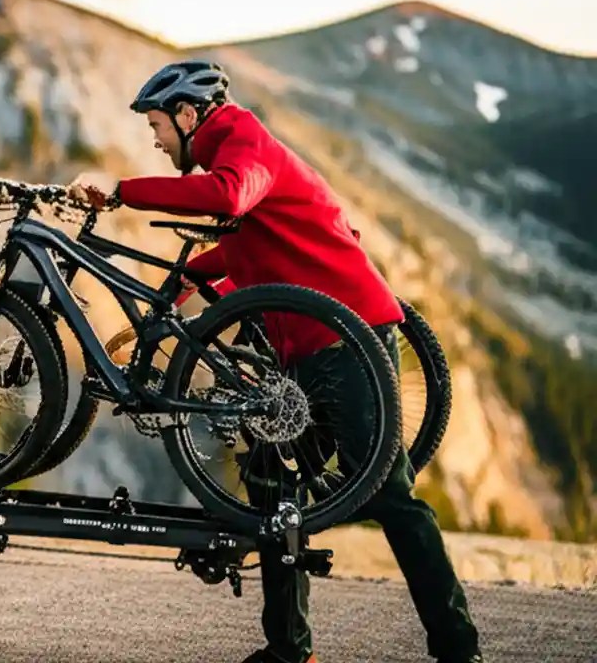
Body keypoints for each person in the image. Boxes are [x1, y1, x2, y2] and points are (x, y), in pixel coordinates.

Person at [67, 60, 484, 663]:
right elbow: (228, 255)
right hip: (300, 366)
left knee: (392, 499)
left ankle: (459, 650)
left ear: (189, 115)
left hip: (351, 344)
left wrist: (122, 192)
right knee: (271, 493)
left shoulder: (245, 143)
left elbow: (229, 195)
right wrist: (154, 320)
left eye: (157, 125)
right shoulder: (230, 161)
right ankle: (289, 650)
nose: (154, 141)